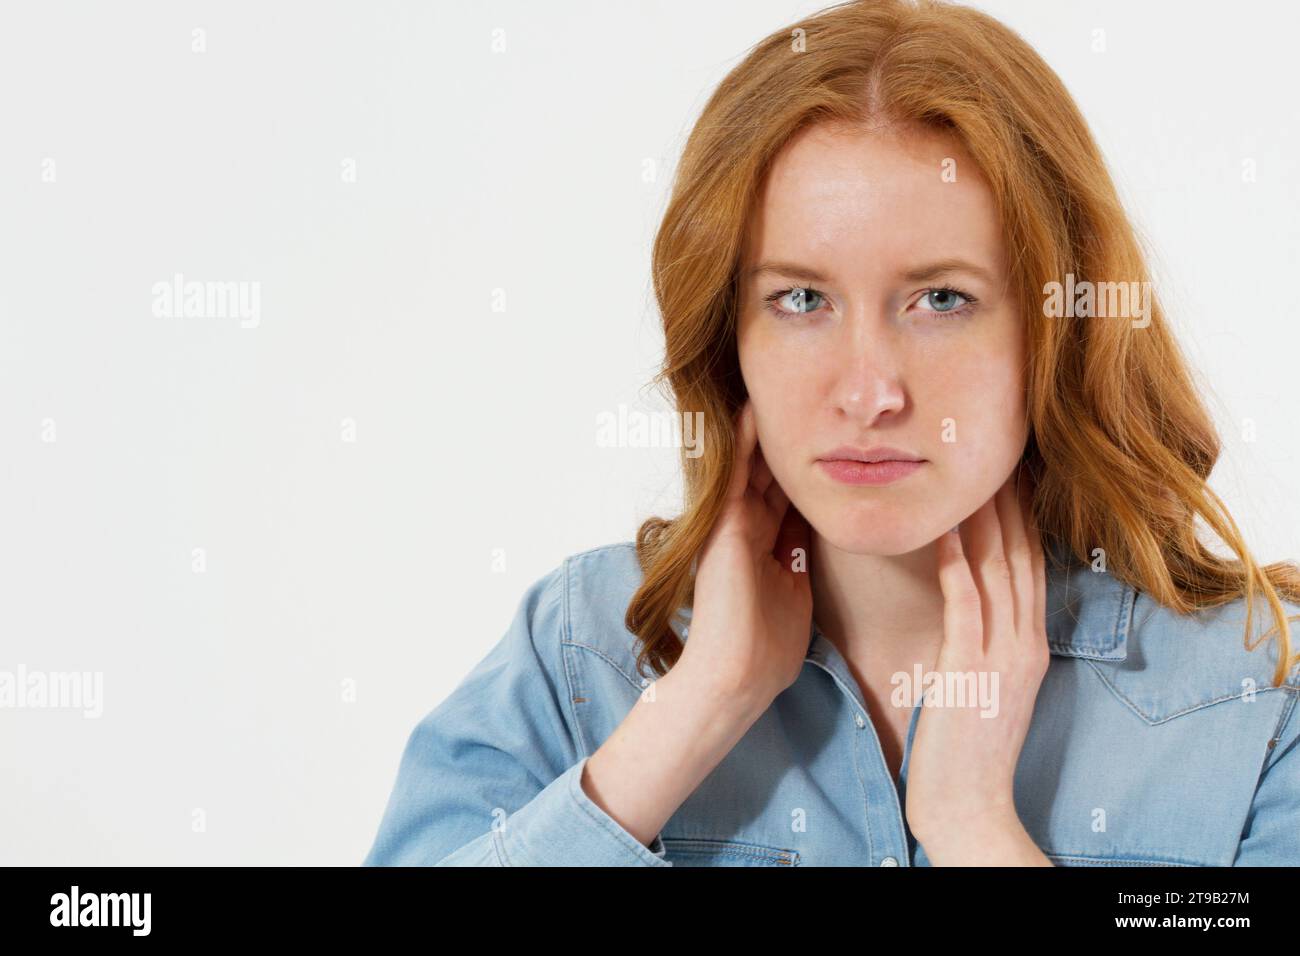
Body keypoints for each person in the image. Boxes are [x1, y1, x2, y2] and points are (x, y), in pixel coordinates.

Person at [363, 0, 1300, 866]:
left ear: (1056, 329)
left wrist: (976, 828)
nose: (869, 392)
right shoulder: (583, 657)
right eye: (801, 299)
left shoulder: (1258, 693)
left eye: (942, 299)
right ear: (729, 337)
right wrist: (701, 704)